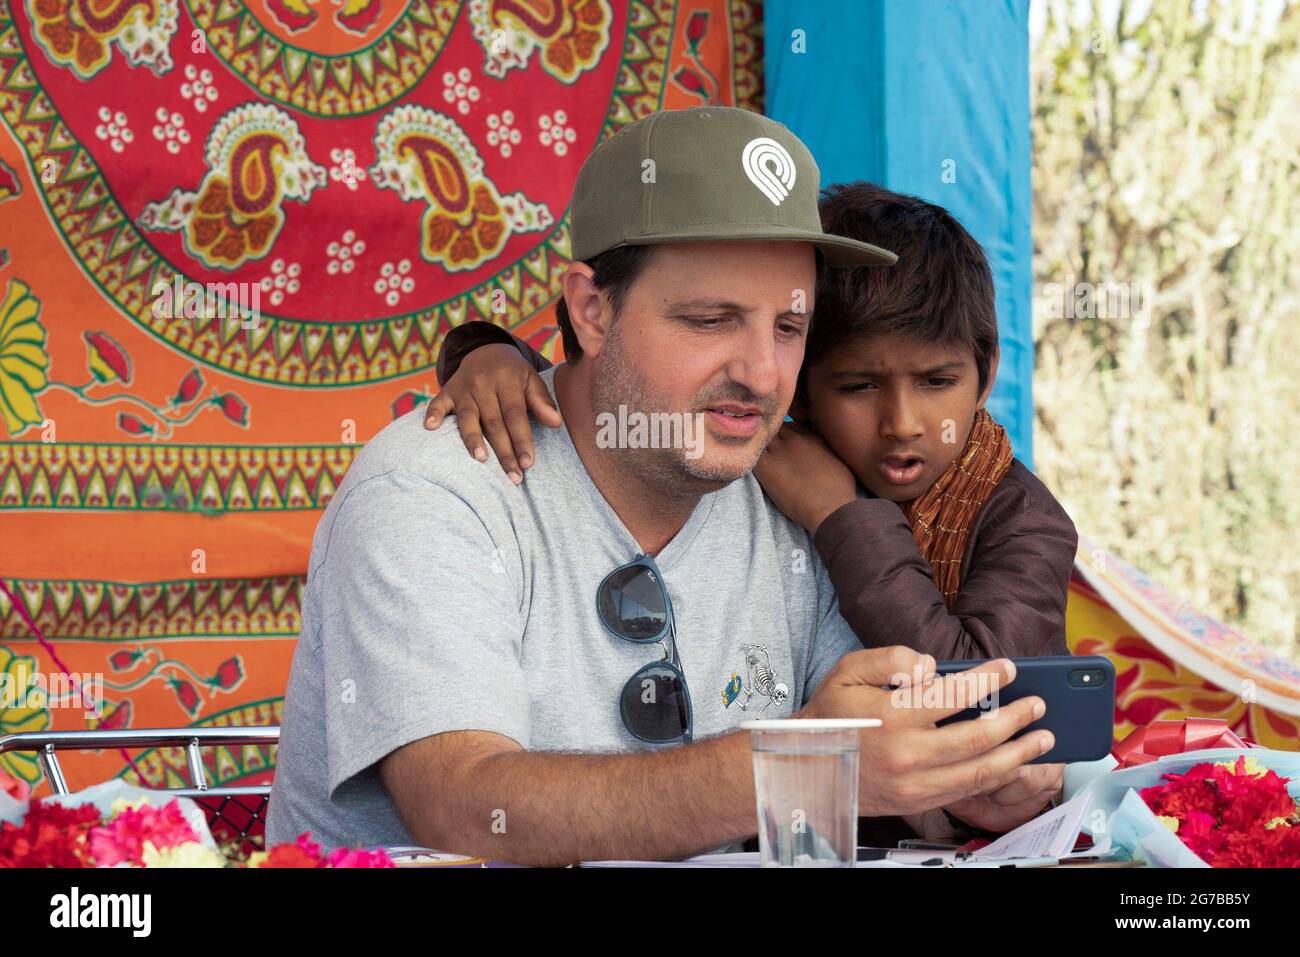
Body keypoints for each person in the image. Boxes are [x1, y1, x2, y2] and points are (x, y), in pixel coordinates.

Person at [267, 107, 1059, 864]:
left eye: (788, 327)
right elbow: (463, 801)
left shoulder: (784, 492)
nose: (759, 372)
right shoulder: (433, 491)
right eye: (712, 319)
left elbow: (870, 749)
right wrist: (793, 760)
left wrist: (964, 789)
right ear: (590, 310)